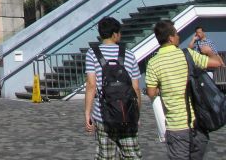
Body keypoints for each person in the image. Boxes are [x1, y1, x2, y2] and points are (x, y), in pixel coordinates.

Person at [146, 19, 225, 159]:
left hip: (176, 127)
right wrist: (210, 52)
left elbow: (151, 92)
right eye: (176, 34)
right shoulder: (188, 54)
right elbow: (218, 63)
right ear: (170, 38)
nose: (178, 36)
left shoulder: (153, 62)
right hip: (197, 124)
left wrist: (165, 87)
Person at [84, 16, 142, 160]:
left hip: (103, 114)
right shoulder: (128, 55)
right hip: (127, 114)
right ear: (115, 34)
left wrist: (87, 112)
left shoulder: (92, 54)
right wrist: (137, 114)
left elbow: (91, 85)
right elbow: (136, 89)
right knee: (131, 154)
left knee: (105, 155)